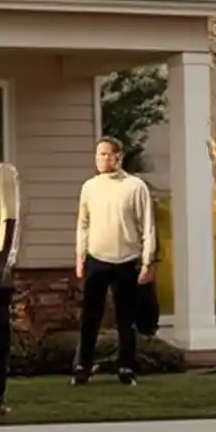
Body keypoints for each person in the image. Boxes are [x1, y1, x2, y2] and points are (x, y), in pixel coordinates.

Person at [72, 136, 157, 386]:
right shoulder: (89, 187)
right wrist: (80, 257)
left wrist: (147, 261)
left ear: (119, 156)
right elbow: (83, 224)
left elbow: (148, 226)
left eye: (108, 154)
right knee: (90, 316)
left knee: (125, 319)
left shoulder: (135, 187)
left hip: (127, 259)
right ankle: (81, 367)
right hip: (96, 259)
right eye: (99, 154)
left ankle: (126, 368)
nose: (103, 159)